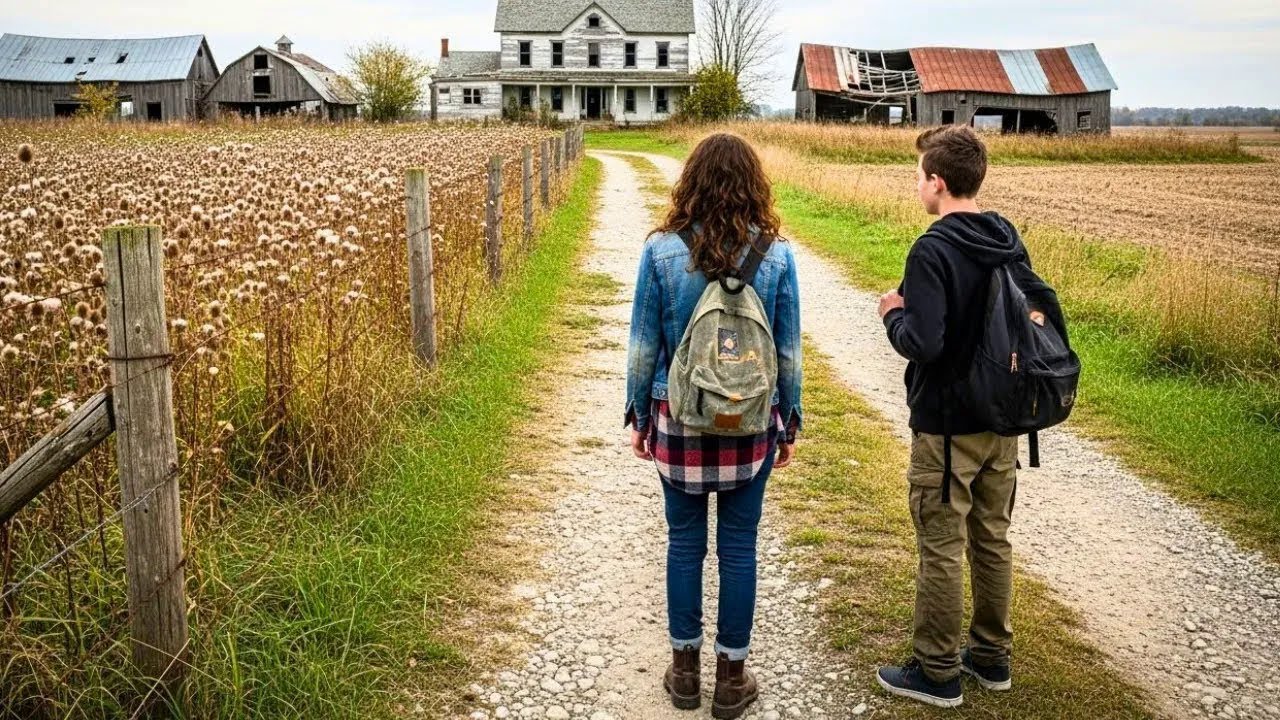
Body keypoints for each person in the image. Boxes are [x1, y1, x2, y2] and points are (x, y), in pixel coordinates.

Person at [624, 133, 802, 719]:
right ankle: (731, 680)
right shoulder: (776, 255)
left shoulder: (662, 251)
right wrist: (789, 421)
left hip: (680, 423)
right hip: (750, 424)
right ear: (754, 184)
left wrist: (639, 414)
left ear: (690, 182)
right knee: (740, 547)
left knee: (683, 545)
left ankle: (683, 675)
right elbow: (788, 352)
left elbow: (644, 344)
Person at [875, 126, 1029, 708]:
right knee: (992, 537)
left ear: (936, 183)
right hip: (1004, 418)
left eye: (918, 175)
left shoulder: (931, 249)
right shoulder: (1007, 239)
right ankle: (991, 657)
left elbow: (925, 342)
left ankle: (937, 670)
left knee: (940, 542)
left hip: (946, 425)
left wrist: (893, 313)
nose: (916, 185)